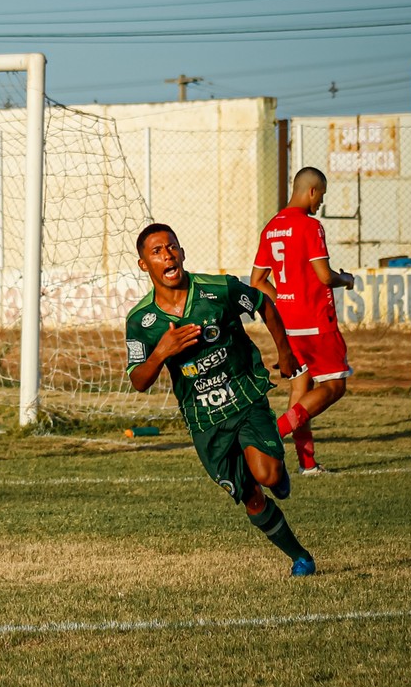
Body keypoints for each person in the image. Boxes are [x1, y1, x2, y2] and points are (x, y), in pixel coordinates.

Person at [125, 223, 316, 577]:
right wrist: (161, 353)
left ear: (182, 253)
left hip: (243, 395)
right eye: (157, 252)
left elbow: (263, 303)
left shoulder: (219, 289)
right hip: (204, 420)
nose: (167, 255)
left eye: (172, 247)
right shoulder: (141, 322)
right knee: (251, 498)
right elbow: (138, 380)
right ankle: (300, 557)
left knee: (268, 475)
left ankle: (277, 473)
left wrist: (285, 354)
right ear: (143, 265)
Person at [251, 166, 355, 476]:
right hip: (315, 321)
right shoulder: (310, 227)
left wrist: (282, 297)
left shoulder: (270, 228)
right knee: (335, 386)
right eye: (320, 196)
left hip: (289, 324)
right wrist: (346, 279)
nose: (320, 203)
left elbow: (257, 280)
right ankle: (273, 433)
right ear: (311, 191)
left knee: (301, 389)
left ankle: (307, 464)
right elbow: (324, 276)